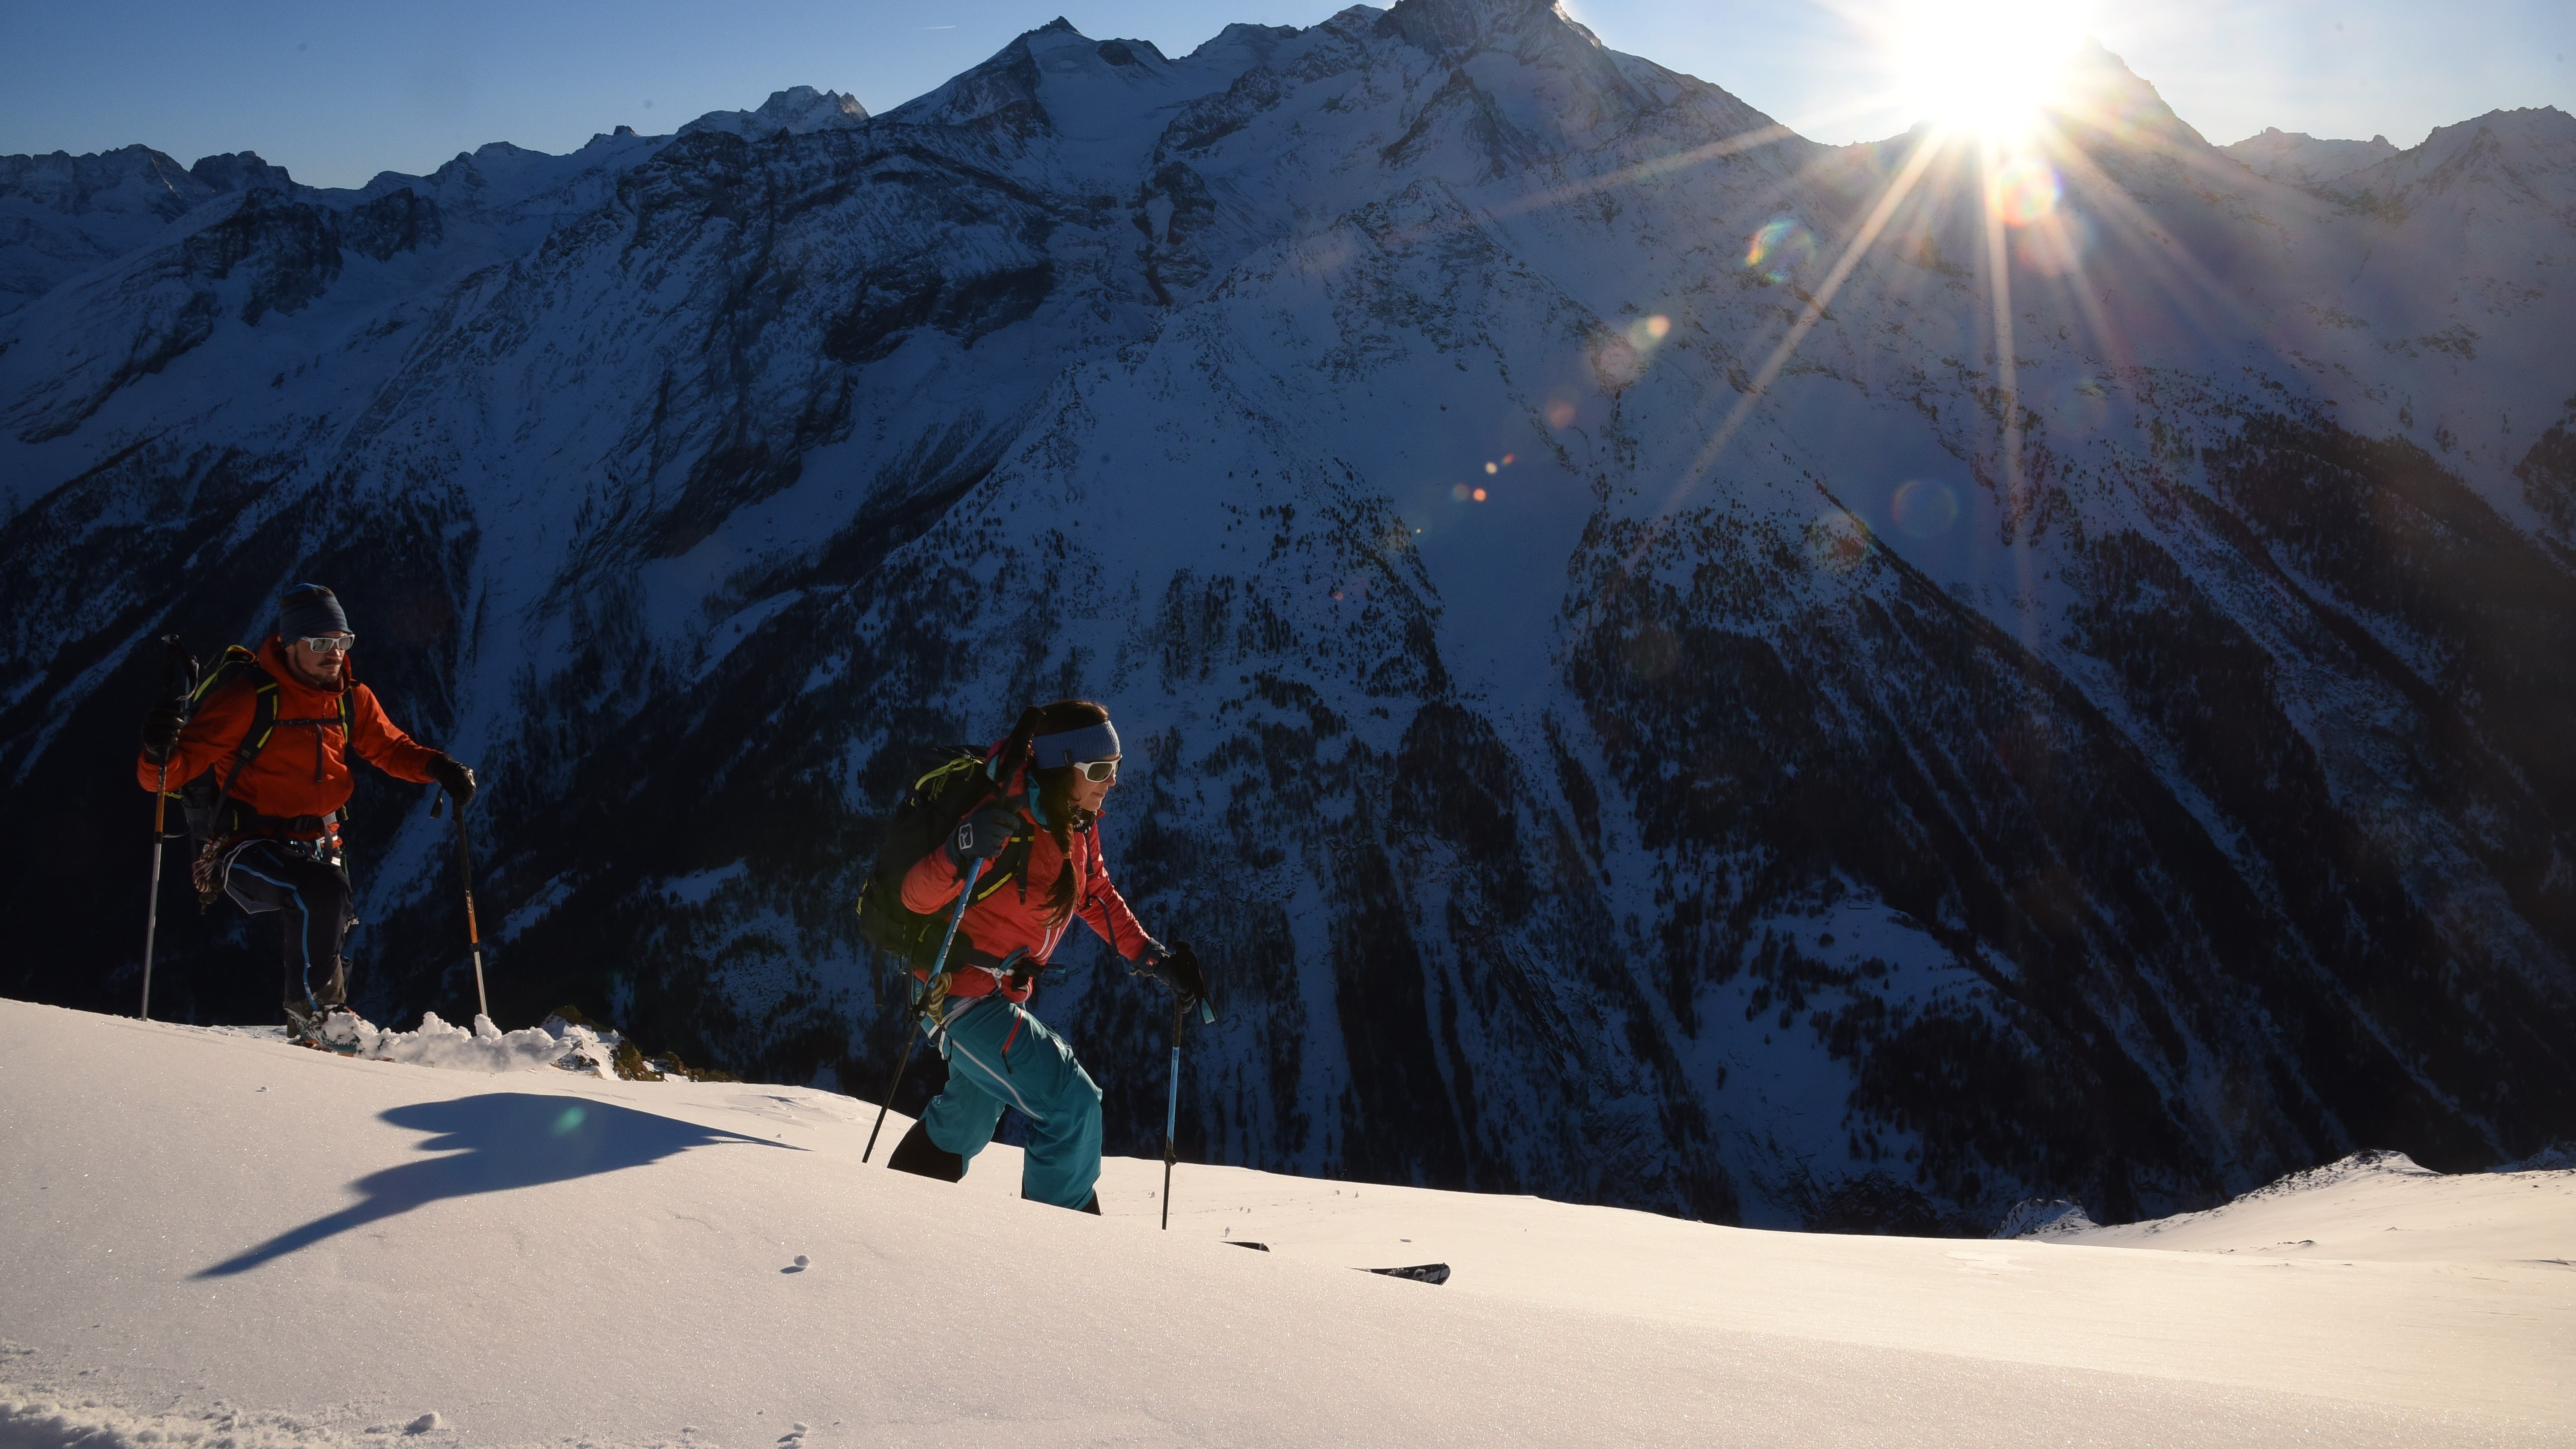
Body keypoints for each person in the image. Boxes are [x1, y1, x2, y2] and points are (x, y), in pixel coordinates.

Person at [883, 698, 1209, 1213]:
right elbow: (915, 898)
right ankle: (1063, 1255)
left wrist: (1153, 957)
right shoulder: (1001, 815)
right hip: (955, 993)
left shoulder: (1076, 820)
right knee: (1071, 1105)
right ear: (1062, 766)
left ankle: (891, 1211)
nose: (1112, 782)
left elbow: (1093, 892)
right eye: (1100, 770)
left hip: (997, 993)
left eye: (1116, 768)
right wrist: (960, 847)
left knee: (971, 1112)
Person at [137, 584, 478, 1034]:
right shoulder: (249, 699)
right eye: (320, 643)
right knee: (323, 893)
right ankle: (318, 1017)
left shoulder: (350, 699)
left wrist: (439, 767)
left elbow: (389, 747)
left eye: (342, 642)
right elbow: (164, 778)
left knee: (328, 914)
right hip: (247, 843)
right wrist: (157, 751)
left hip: (320, 840)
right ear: (288, 644)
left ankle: (316, 1034)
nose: (333, 653)